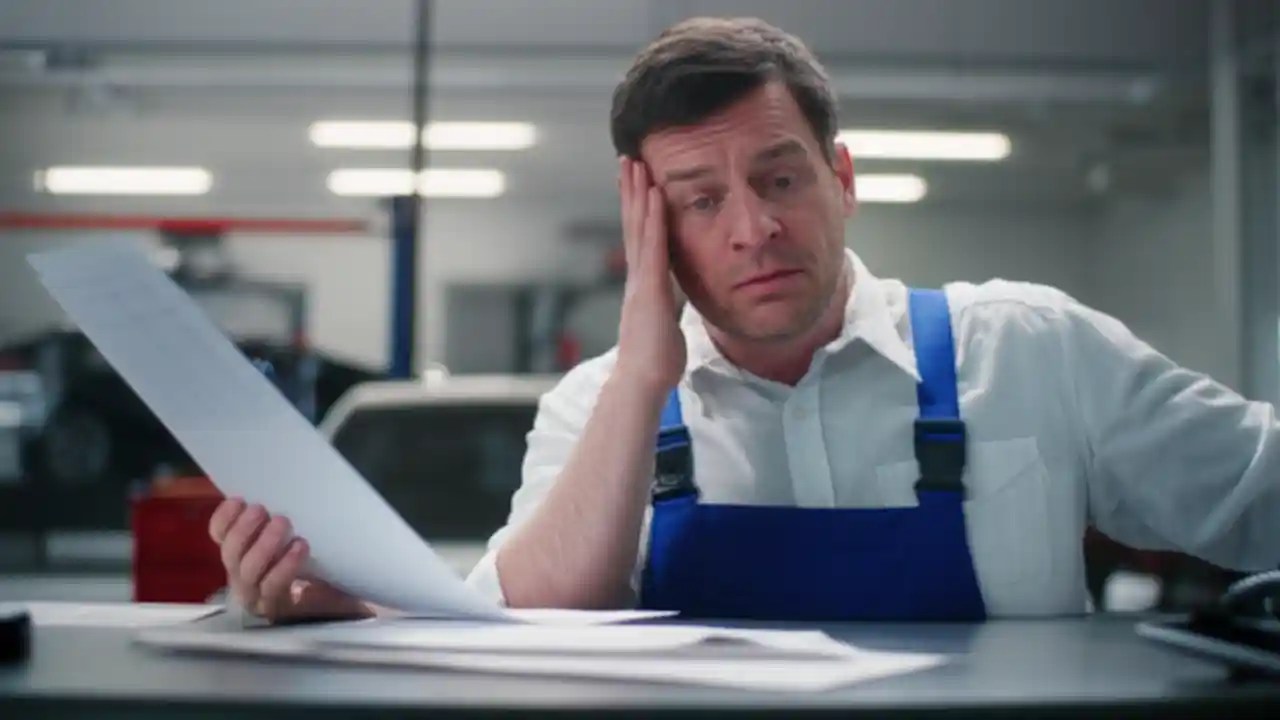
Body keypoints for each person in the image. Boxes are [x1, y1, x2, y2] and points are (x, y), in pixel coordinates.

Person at [209, 17, 1280, 623]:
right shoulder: (599, 411)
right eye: (698, 201)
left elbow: (1257, 494)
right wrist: (639, 374)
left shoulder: (1031, 350)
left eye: (779, 178)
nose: (752, 229)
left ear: (840, 176)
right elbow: (516, 632)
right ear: (647, 224)